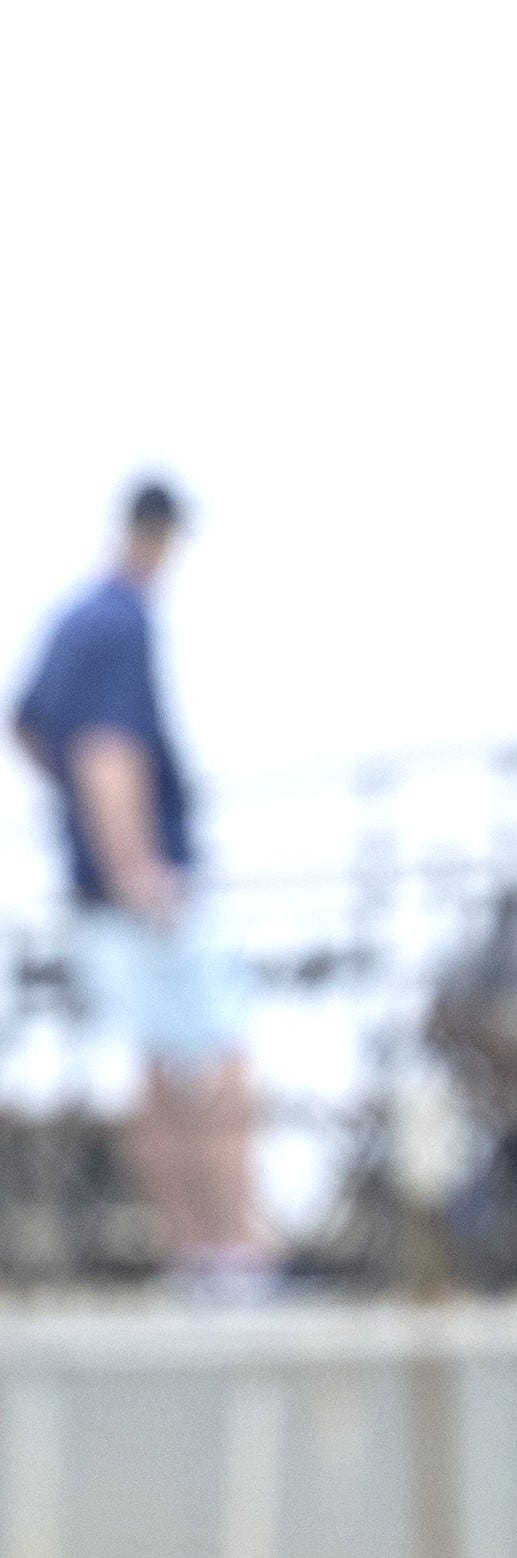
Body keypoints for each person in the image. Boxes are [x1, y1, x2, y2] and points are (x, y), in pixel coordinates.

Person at [12, 481, 270, 1292]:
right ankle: (234, 1257)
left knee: (158, 1069)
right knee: (219, 1060)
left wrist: (89, 837)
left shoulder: (72, 620)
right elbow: (105, 751)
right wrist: (133, 865)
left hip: (99, 888)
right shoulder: (121, 622)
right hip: (142, 890)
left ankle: (190, 1253)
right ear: (161, 539)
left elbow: (28, 725)